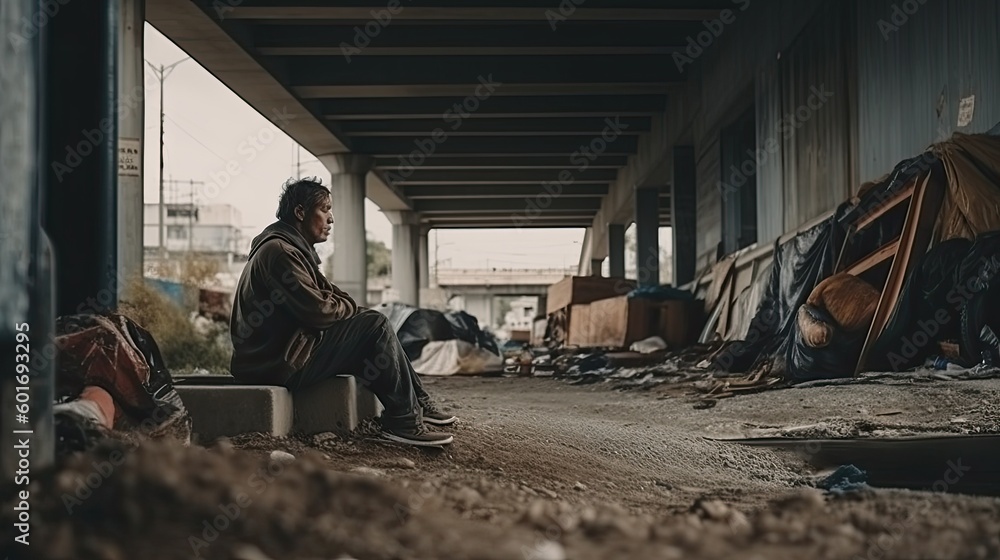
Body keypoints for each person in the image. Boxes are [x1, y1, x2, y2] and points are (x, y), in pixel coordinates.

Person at [230, 178, 456, 447]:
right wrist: (345, 306)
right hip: (275, 364)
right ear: (300, 212)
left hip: (282, 355)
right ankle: (404, 422)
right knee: (375, 325)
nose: (331, 219)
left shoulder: (293, 250)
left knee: (372, 330)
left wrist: (342, 305)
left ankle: (416, 405)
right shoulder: (281, 252)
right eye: (325, 209)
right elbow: (320, 311)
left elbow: (333, 300)